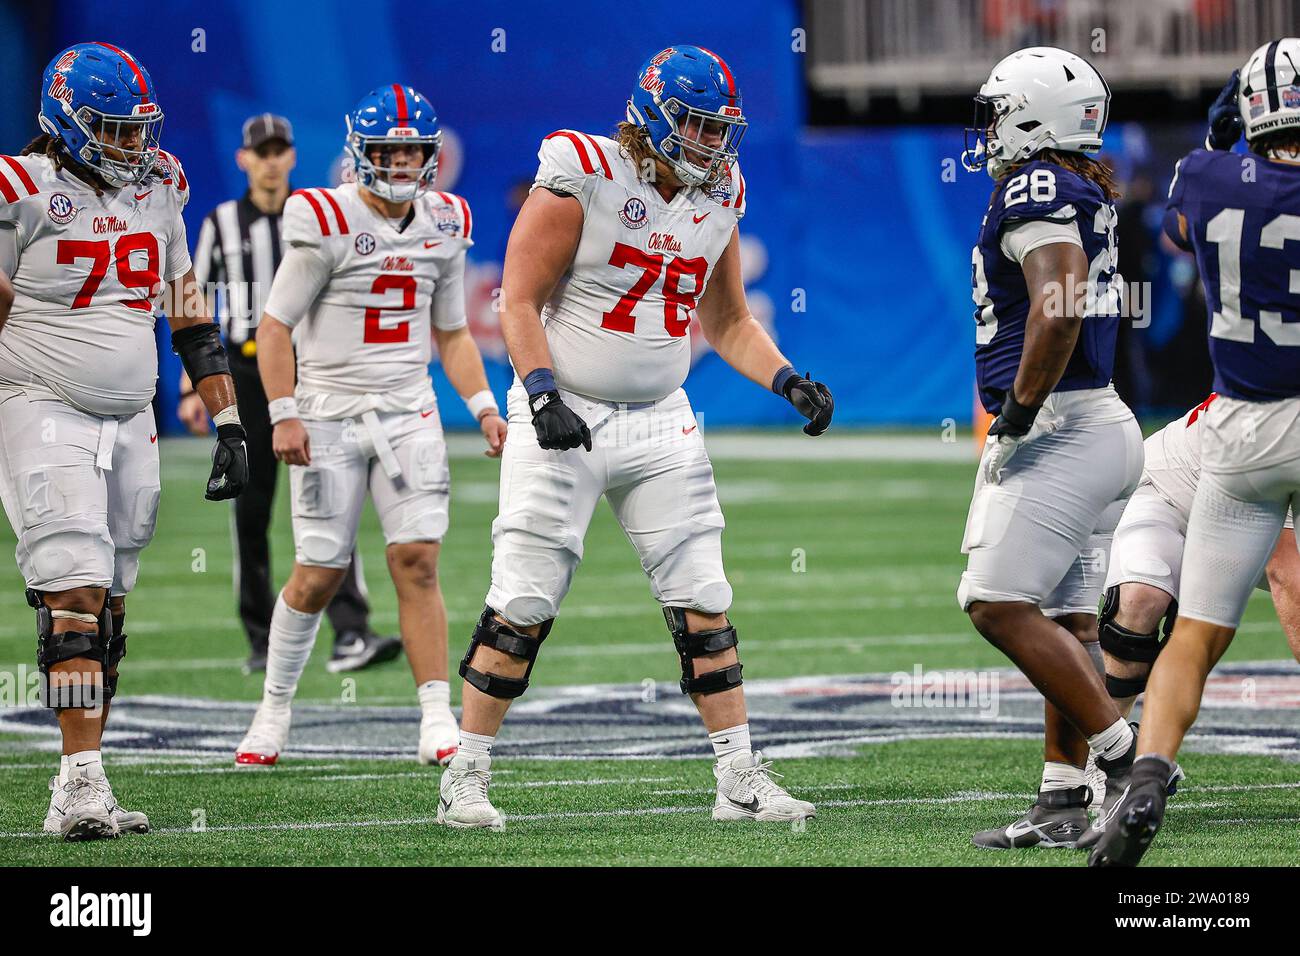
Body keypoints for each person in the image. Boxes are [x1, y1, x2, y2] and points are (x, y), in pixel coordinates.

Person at [436, 45, 834, 831]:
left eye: (722, 129)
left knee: (705, 600)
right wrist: (542, 392)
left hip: (661, 418)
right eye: (696, 124)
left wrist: (787, 379)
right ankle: (466, 778)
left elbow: (725, 320)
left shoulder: (721, 192)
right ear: (654, 115)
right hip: (565, 411)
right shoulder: (583, 170)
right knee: (520, 601)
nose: (713, 144)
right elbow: (518, 299)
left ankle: (737, 776)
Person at [0, 42, 247, 839]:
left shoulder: (163, 184)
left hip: (131, 413)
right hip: (40, 401)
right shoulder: (21, 190)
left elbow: (187, 305)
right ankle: (78, 783)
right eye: (113, 129)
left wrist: (230, 415)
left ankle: (85, 779)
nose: (133, 146)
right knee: (71, 594)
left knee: (106, 608)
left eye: (139, 129)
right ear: (67, 122)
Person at [233, 84, 505, 768]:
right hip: (326, 414)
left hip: (408, 411)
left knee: (417, 561)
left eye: (414, 151)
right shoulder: (322, 217)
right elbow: (274, 327)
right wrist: (283, 412)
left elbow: (451, 333)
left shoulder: (445, 221)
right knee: (318, 574)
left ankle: (436, 717)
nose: (405, 164)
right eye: (390, 151)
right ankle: (273, 709)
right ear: (360, 154)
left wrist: (484, 406)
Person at [1091, 40, 1300, 866]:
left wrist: (1221, 136)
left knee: (1197, 637)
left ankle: (1148, 774)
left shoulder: (1209, 183)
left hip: (1242, 433)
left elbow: (1181, 224)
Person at [957, 47, 1150, 850]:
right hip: (1098, 421)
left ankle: (1131, 762)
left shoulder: (1036, 184)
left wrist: (1021, 411)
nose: (991, 128)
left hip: (1063, 424)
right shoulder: (1079, 187)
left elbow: (1060, 304)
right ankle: (1063, 796)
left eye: (1001, 110)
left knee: (994, 601)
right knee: (1071, 624)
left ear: (1033, 116)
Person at [183, 113, 398, 675]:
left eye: (281, 150)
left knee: (334, 495)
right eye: (262, 151)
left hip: (313, 370)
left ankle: (351, 630)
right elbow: (195, 303)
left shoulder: (321, 218)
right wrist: (192, 387)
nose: (272, 160)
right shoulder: (221, 222)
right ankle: (261, 636)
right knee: (250, 507)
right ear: (244, 159)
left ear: (292, 157)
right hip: (246, 376)